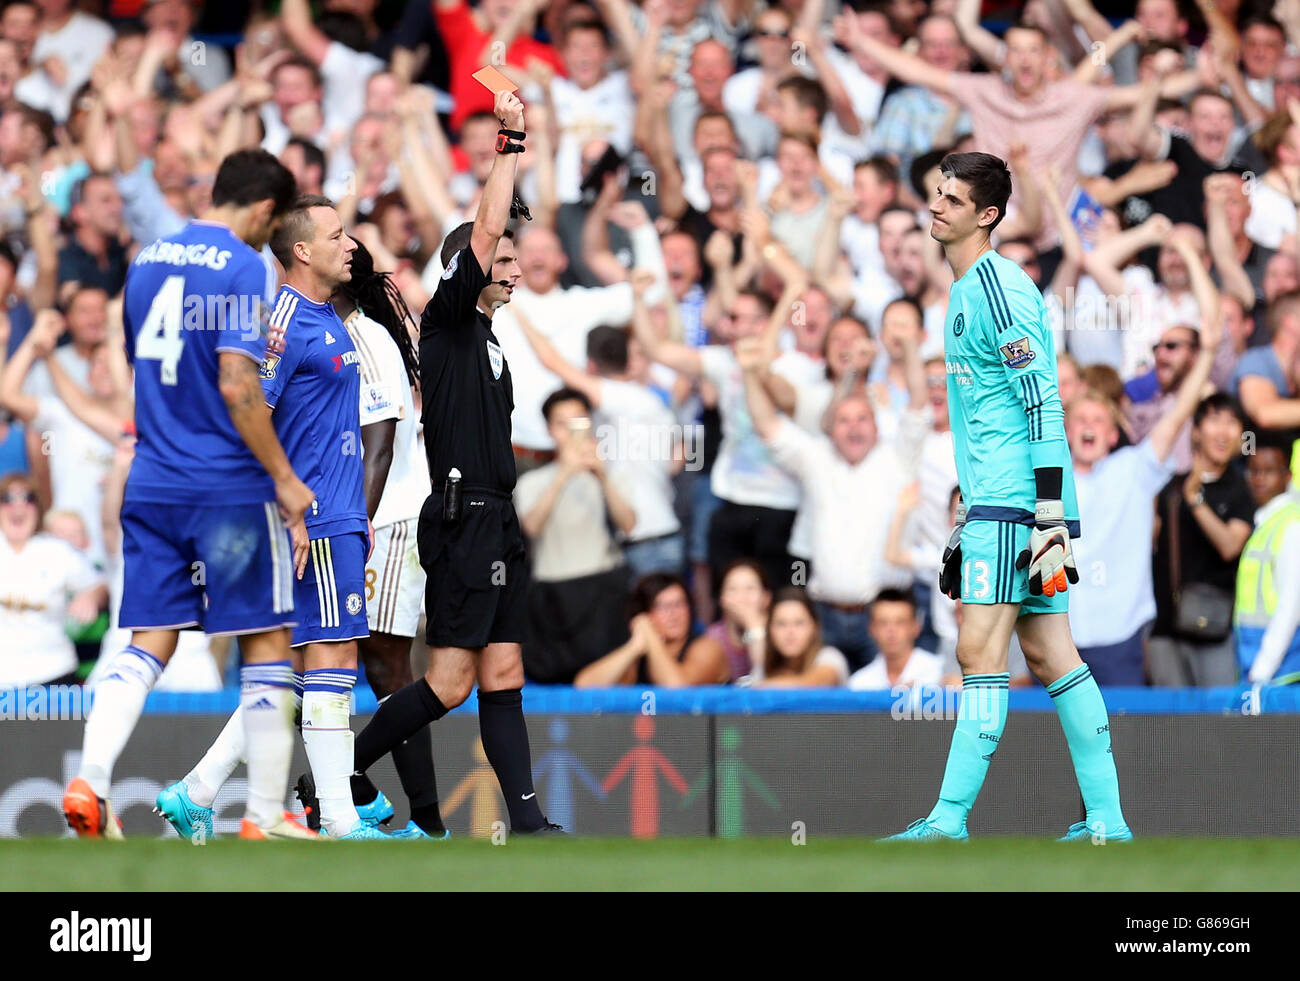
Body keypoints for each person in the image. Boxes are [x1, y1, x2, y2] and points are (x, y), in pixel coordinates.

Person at [62, 149, 315, 841]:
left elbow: (141, 363)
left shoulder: (144, 261)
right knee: (268, 640)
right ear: (263, 210)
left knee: (148, 640)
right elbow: (237, 382)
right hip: (226, 485)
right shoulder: (242, 264)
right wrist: (287, 481)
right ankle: (262, 818)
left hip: (151, 478)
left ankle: (91, 778)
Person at [884, 151, 1130, 843]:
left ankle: (949, 819)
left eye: (952, 199)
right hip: (1002, 500)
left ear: (986, 215)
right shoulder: (965, 288)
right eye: (936, 193)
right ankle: (1107, 819)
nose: (935, 206)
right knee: (1052, 655)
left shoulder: (997, 289)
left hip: (1018, 504)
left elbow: (1045, 404)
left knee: (977, 652)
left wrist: (1048, 515)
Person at [347, 90, 562, 835]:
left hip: (496, 522)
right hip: (462, 518)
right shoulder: (447, 324)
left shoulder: (494, 341)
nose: (514, 263)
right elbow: (487, 224)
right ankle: (340, 768)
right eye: (501, 256)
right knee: (448, 681)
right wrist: (511, 142)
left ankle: (528, 823)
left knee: (503, 675)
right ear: (461, 270)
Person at [157, 196, 387, 842]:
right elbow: (249, 414)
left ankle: (195, 790)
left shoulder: (323, 313)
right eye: (338, 235)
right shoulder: (282, 323)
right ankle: (341, 818)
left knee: (286, 673)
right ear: (303, 251)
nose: (352, 244)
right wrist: (284, 512)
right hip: (310, 517)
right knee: (330, 657)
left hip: (333, 513)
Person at [1067, 291, 1223, 685]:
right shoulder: (1046, 477)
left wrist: (1206, 354)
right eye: (1080, 418)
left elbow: (1178, 415)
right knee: (1050, 745)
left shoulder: (1133, 468)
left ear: (1113, 431)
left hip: (1119, 638)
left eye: (1099, 420)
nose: (1089, 426)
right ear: (1066, 430)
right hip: (1056, 640)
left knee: (1122, 741)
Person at [514, 386, 637, 684]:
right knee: (554, 682)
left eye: (578, 422)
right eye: (562, 424)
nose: (570, 432)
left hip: (602, 588)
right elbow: (530, 527)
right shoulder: (532, 481)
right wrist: (564, 473)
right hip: (552, 593)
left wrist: (602, 476)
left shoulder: (611, 473)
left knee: (605, 684)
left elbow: (629, 523)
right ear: (549, 430)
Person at [1148, 393, 1254, 687]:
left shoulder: (1240, 491)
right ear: (1196, 431)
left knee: (1217, 724)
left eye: (1233, 423)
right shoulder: (1169, 486)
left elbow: (1230, 546)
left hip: (1215, 629)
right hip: (1166, 631)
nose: (1223, 431)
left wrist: (1196, 502)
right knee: (1167, 729)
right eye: (1214, 420)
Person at [0, 471, 104, 687]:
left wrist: (91, 598)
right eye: (7, 499)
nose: (18, 507)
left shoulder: (57, 551)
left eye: (28, 499)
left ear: (38, 509)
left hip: (52, 672)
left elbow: (100, 585)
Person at [573, 572, 728, 687]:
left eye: (680, 604)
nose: (674, 614)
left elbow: (677, 690)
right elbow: (584, 687)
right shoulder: (639, 655)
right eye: (663, 607)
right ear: (645, 615)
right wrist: (634, 648)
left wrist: (649, 635)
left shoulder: (708, 647)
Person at [1236, 435, 1300, 684]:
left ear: (1287, 477)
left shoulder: (1291, 526)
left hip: (1281, 674)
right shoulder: (1267, 523)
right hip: (1264, 668)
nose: (1259, 478)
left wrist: (1261, 672)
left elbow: (1290, 606)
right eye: (1254, 471)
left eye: (1269, 471)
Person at [848, 588, 943, 690]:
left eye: (900, 622)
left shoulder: (939, 674)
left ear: (916, 627)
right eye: (883, 623)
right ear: (871, 629)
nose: (891, 631)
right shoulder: (859, 683)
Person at [752, 588, 849, 688]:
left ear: (814, 627)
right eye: (781, 624)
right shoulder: (762, 669)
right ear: (769, 629)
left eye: (799, 623)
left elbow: (816, 683)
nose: (790, 632)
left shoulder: (831, 657)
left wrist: (761, 686)